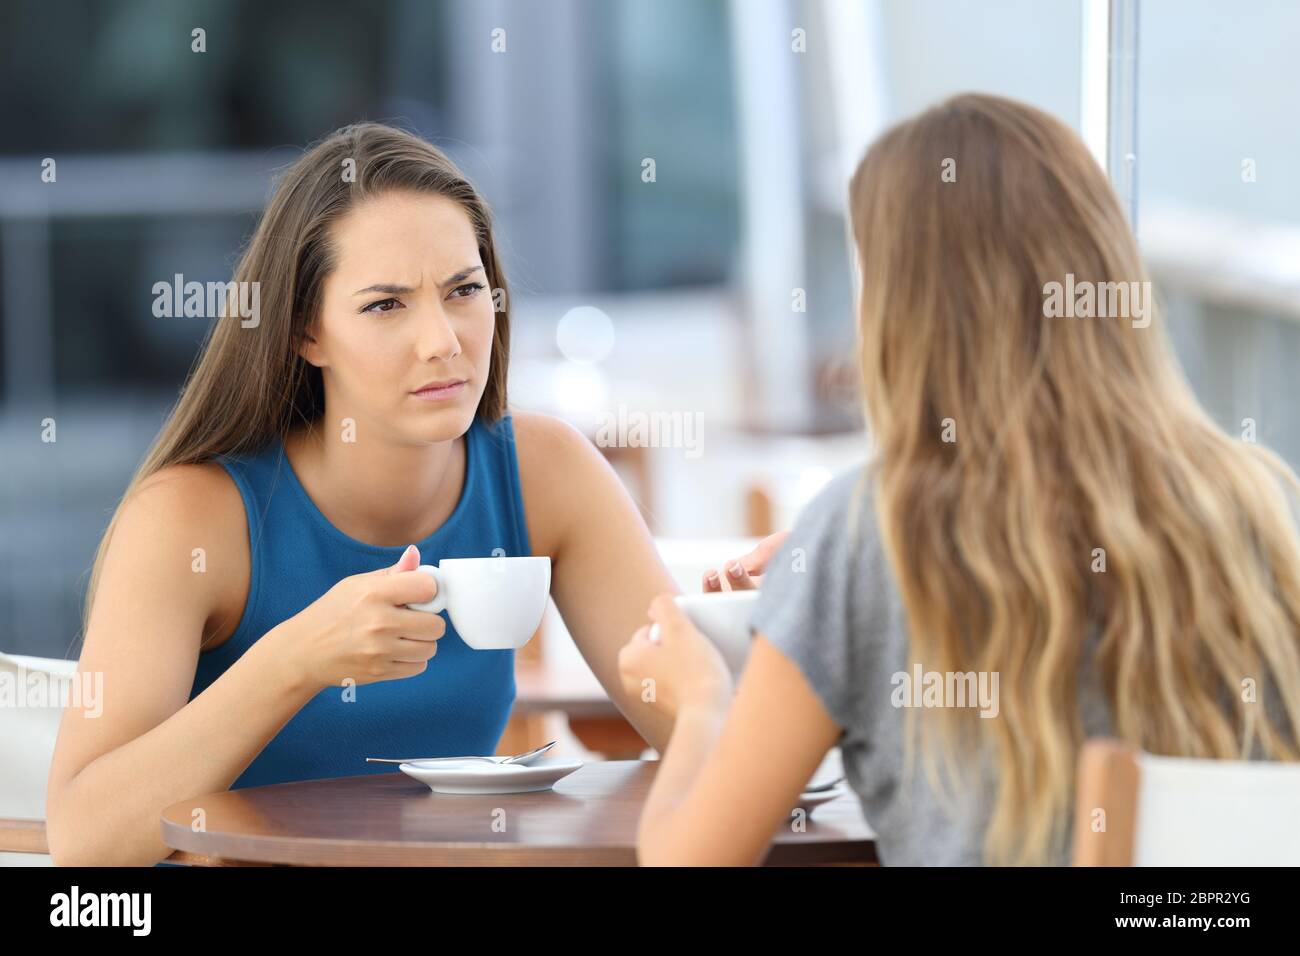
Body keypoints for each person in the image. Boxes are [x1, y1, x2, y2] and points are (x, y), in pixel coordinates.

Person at [620, 93, 1300, 866]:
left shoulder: (869, 535)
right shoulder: (1259, 505)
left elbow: (690, 861)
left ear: (902, 307)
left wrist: (700, 696)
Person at [45, 122, 711, 866]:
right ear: (306, 333)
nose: (442, 341)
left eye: (462, 291)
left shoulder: (547, 472)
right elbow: (85, 842)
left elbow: (711, 743)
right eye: (386, 305)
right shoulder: (191, 518)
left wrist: (766, 630)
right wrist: (293, 660)